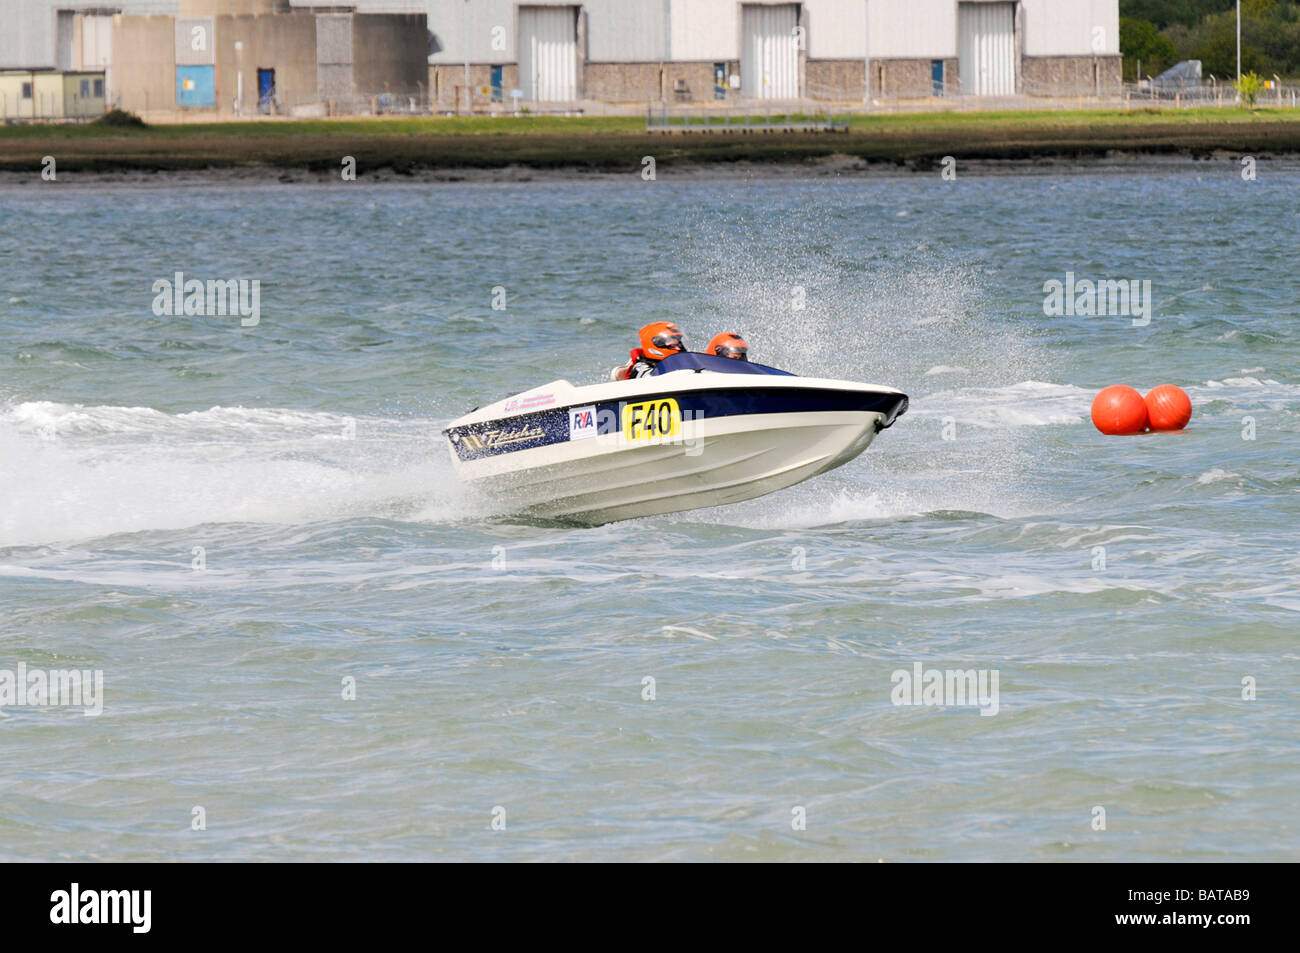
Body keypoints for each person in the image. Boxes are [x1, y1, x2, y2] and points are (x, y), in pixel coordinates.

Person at [610, 321, 687, 380]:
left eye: (679, 342)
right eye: (672, 345)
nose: (678, 348)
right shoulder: (641, 368)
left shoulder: (677, 361)